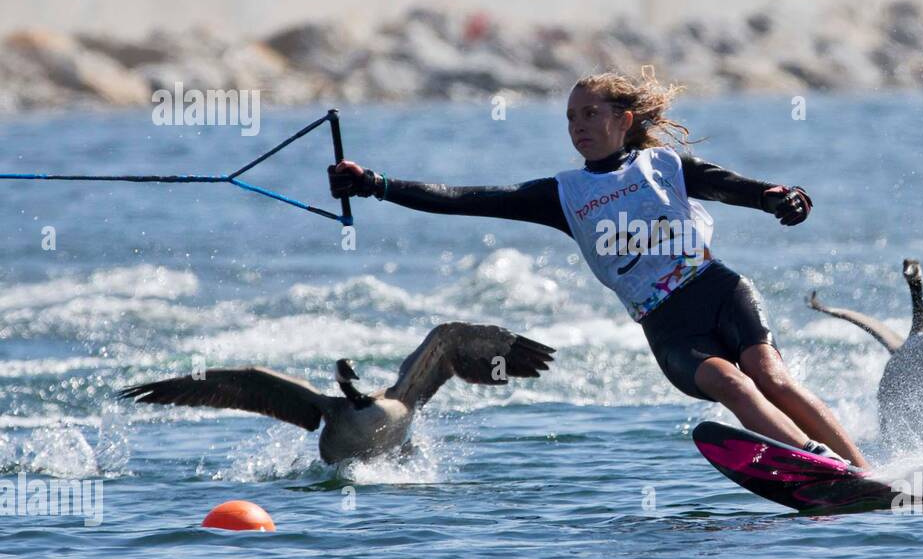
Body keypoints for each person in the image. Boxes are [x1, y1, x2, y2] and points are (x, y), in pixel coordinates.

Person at [328, 72, 868, 469]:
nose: (577, 126)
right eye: (569, 117)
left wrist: (777, 199)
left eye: (589, 113)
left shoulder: (666, 166)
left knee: (771, 377)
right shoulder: (564, 194)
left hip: (720, 291)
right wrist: (377, 184)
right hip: (668, 326)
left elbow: (735, 186)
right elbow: (466, 199)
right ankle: (818, 463)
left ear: (623, 120)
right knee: (729, 381)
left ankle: (864, 470)